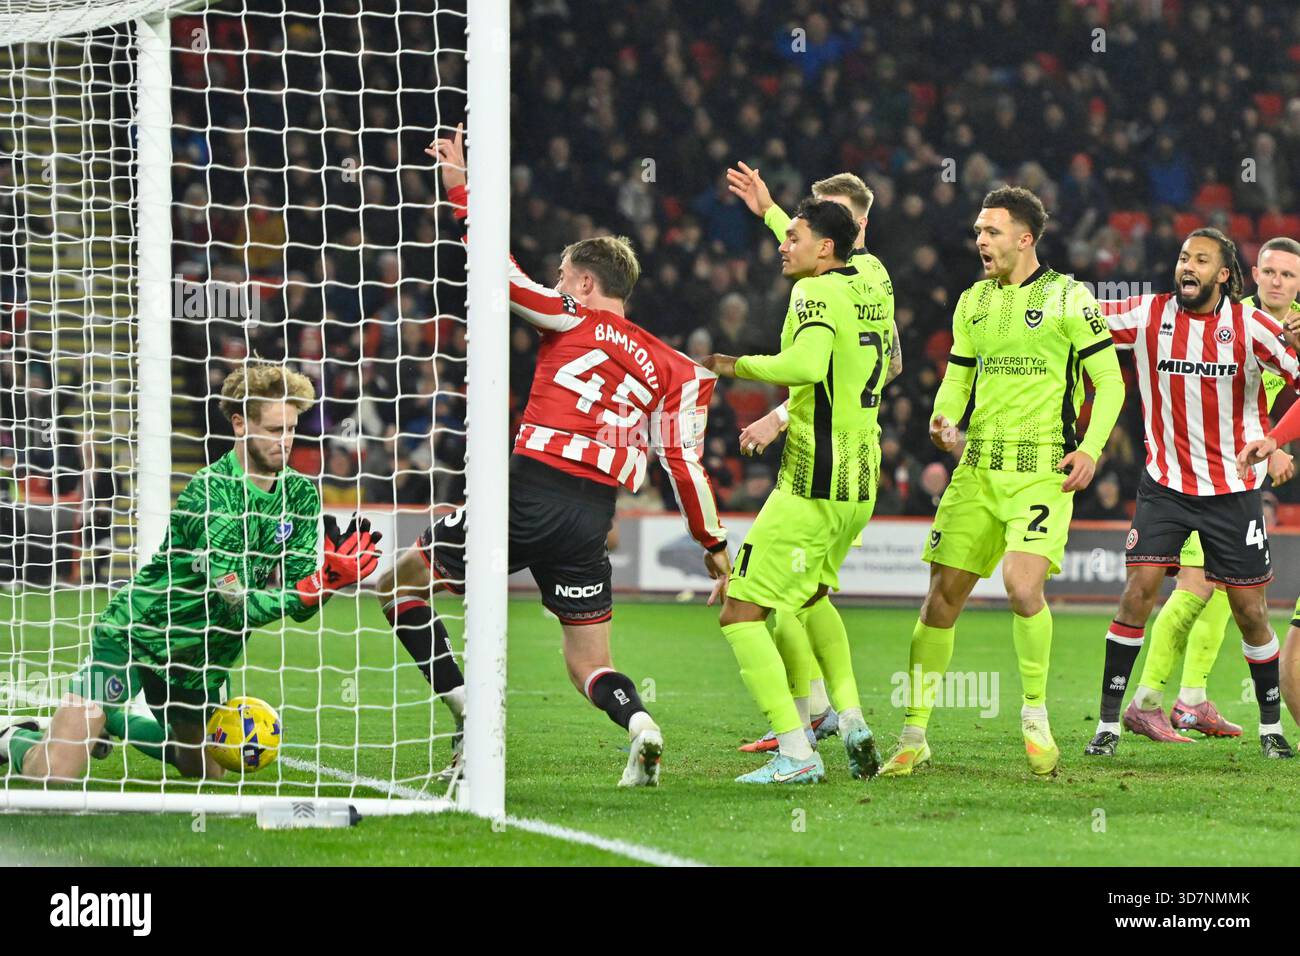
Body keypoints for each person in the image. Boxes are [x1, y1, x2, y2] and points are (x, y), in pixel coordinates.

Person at [374, 125, 730, 788]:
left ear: (586, 282)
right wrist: (712, 543)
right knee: (588, 662)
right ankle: (641, 726)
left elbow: (498, 274)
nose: (554, 282)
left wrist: (461, 190)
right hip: (591, 518)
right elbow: (684, 464)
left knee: (395, 588)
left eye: (562, 275)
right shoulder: (680, 370)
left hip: (527, 492)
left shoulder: (573, 316)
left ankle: (466, 714)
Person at [0, 363, 382, 780]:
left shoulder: (301, 495)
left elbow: (301, 600)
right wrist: (308, 591)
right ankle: (12, 738)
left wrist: (328, 581)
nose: (286, 441)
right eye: (274, 430)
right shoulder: (210, 491)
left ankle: (114, 722)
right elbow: (233, 597)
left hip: (204, 654)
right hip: (142, 631)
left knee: (206, 772)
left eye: (291, 429)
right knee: (55, 775)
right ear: (240, 424)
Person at [880, 187, 1125, 778]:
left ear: (1024, 237)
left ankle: (1035, 717)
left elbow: (1109, 382)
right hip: (979, 468)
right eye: (977, 232)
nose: (980, 241)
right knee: (941, 599)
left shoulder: (1069, 297)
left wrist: (1091, 450)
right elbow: (958, 377)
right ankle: (914, 734)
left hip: (1042, 469)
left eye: (991, 232)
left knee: (1021, 586)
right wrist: (945, 416)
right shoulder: (972, 302)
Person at [1088, 228, 1300, 760]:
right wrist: (1040, 285)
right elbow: (1083, 314)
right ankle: (1112, 724)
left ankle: (1269, 728)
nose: (1188, 266)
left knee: (1250, 610)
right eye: (1184, 257)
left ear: (1223, 275)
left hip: (1232, 491)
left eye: (1201, 260)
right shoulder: (1149, 314)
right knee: (1138, 593)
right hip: (1165, 487)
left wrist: (1274, 438)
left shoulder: (1252, 328)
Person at [704, 198, 892, 784]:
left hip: (812, 482)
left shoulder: (813, 293)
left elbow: (808, 365)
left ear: (826, 248)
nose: (783, 245)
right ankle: (853, 720)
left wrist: (731, 366)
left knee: (740, 610)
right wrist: (768, 210)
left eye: (794, 237)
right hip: (860, 481)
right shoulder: (873, 279)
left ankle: (797, 750)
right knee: (809, 600)